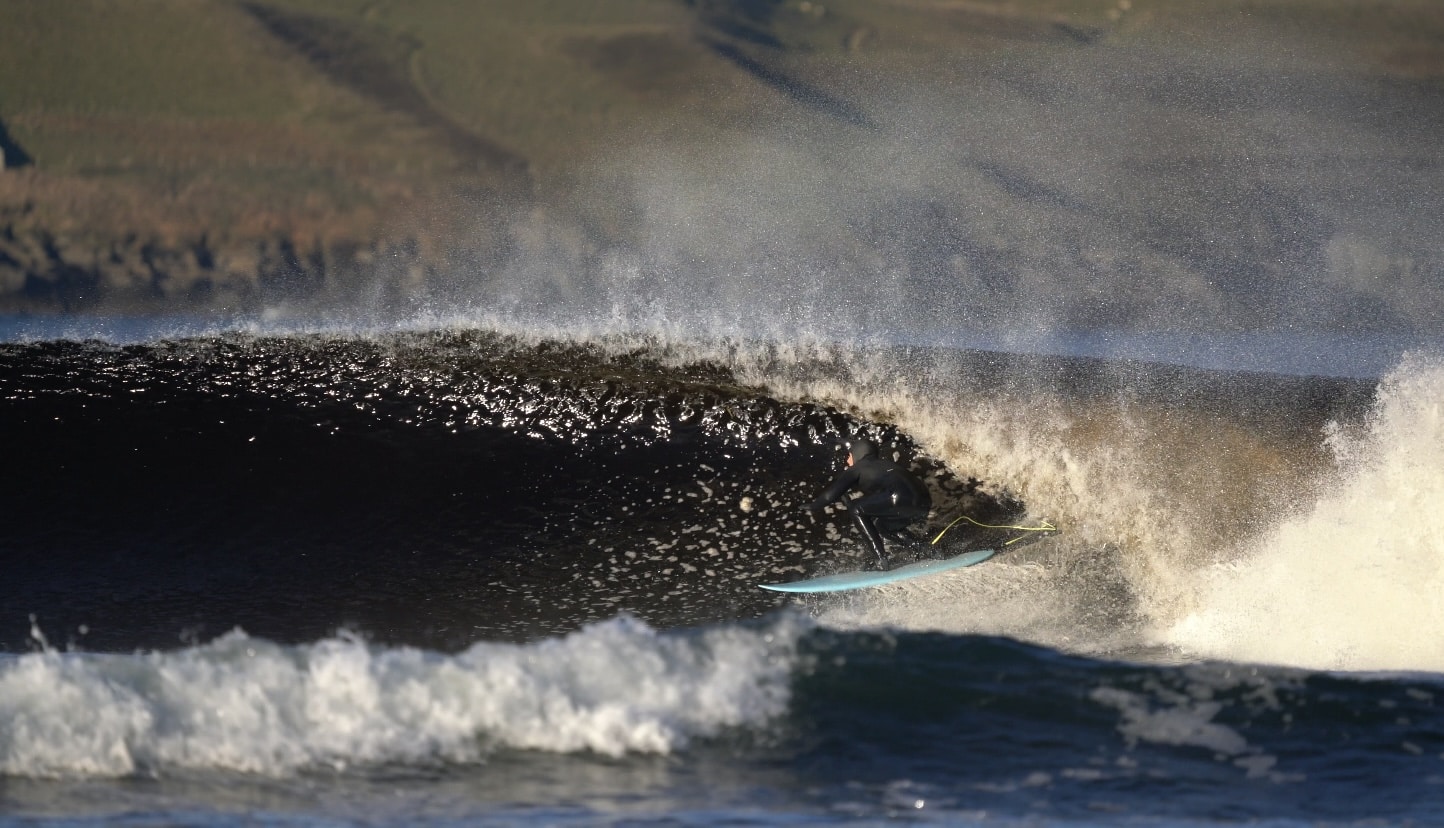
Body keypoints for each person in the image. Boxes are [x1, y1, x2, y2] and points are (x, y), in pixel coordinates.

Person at [806, 436, 932, 570]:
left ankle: (880, 560)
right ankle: (925, 548)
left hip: (898, 497)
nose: (848, 460)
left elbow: (830, 495)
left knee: (856, 508)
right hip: (924, 501)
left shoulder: (858, 467)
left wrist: (812, 506)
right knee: (884, 526)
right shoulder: (885, 464)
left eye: (849, 455)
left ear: (857, 453)